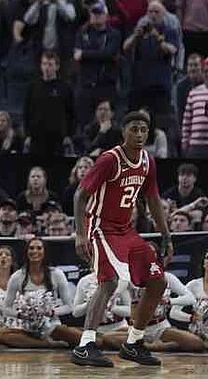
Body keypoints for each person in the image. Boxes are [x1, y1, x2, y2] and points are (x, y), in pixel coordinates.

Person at [70, 110, 174, 367]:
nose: (139, 134)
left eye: (143, 130)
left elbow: (152, 200)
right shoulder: (109, 159)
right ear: (124, 131)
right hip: (99, 227)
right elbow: (79, 195)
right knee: (109, 282)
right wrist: (81, 233)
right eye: (134, 129)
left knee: (158, 281)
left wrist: (166, 236)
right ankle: (85, 345)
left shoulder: (148, 162)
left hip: (125, 230)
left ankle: (134, 343)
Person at [0, 238, 80, 348]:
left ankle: (46, 341)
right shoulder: (17, 276)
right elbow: (6, 308)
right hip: (25, 328)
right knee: (0, 335)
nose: (35, 251)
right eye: (31, 248)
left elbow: (69, 306)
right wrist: (21, 314)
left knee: (78, 338)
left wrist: (51, 312)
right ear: (26, 252)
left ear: (45, 252)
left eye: (39, 248)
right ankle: (47, 344)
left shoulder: (57, 274)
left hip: (51, 326)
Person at [72, 273, 132, 350]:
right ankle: (102, 343)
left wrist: (113, 308)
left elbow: (130, 311)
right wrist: (90, 304)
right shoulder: (85, 281)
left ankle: (101, 343)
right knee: (64, 331)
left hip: (119, 329)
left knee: (107, 338)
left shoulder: (122, 280)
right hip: (95, 331)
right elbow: (75, 312)